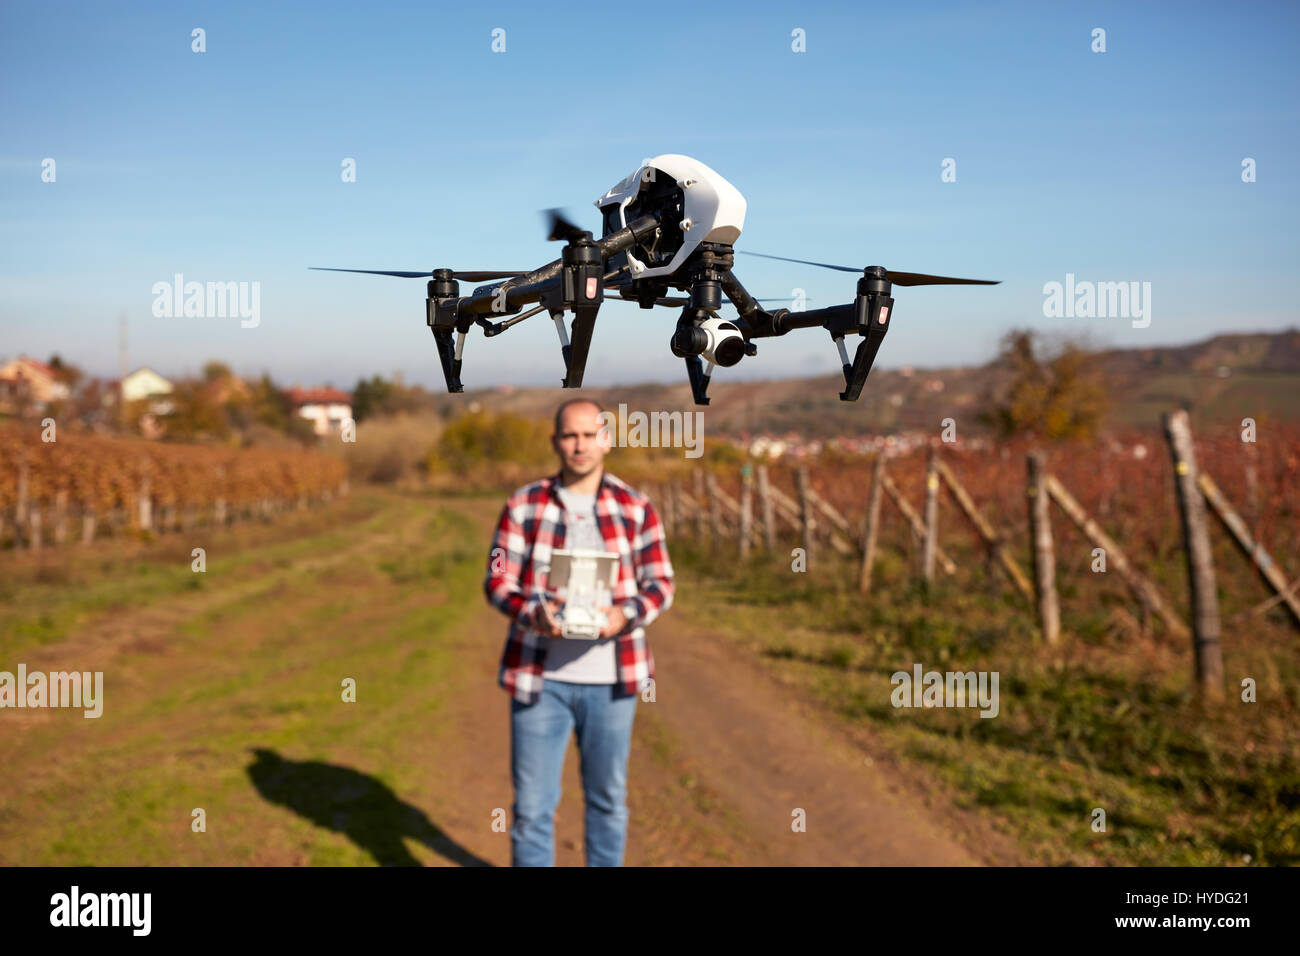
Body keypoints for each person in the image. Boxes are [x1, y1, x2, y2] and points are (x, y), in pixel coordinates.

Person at [483, 397, 675, 866]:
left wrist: (625, 615)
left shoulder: (636, 507)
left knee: (608, 802)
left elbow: (661, 584)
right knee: (532, 809)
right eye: (570, 435)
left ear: (606, 440)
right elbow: (497, 580)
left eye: (590, 435)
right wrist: (533, 613)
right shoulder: (523, 505)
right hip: (539, 681)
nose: (580, 445)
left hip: (612, 683)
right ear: (555, 442)